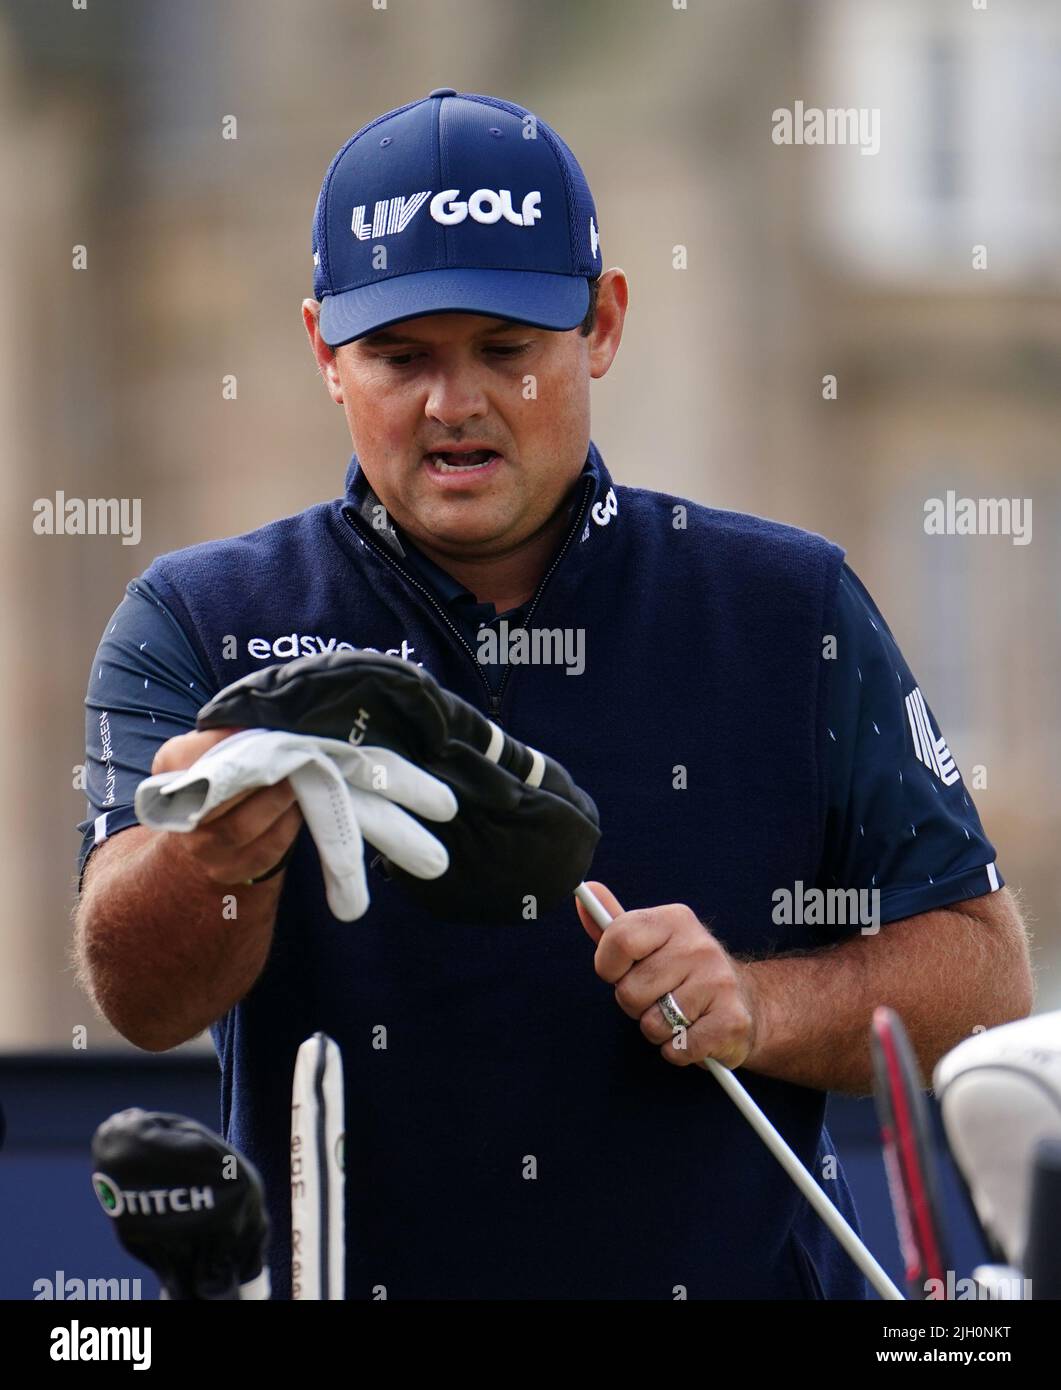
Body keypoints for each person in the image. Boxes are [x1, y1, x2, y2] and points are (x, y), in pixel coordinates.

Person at [73, 89, 1032, 1300]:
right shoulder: (197, 619)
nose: (452, 402)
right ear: (322, 351)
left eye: (505, 350)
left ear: (603, 324)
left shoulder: (786, 609)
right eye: (399, 355)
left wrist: (755, 1003)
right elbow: (135, 997)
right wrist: (208, 863)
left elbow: (982, 985)